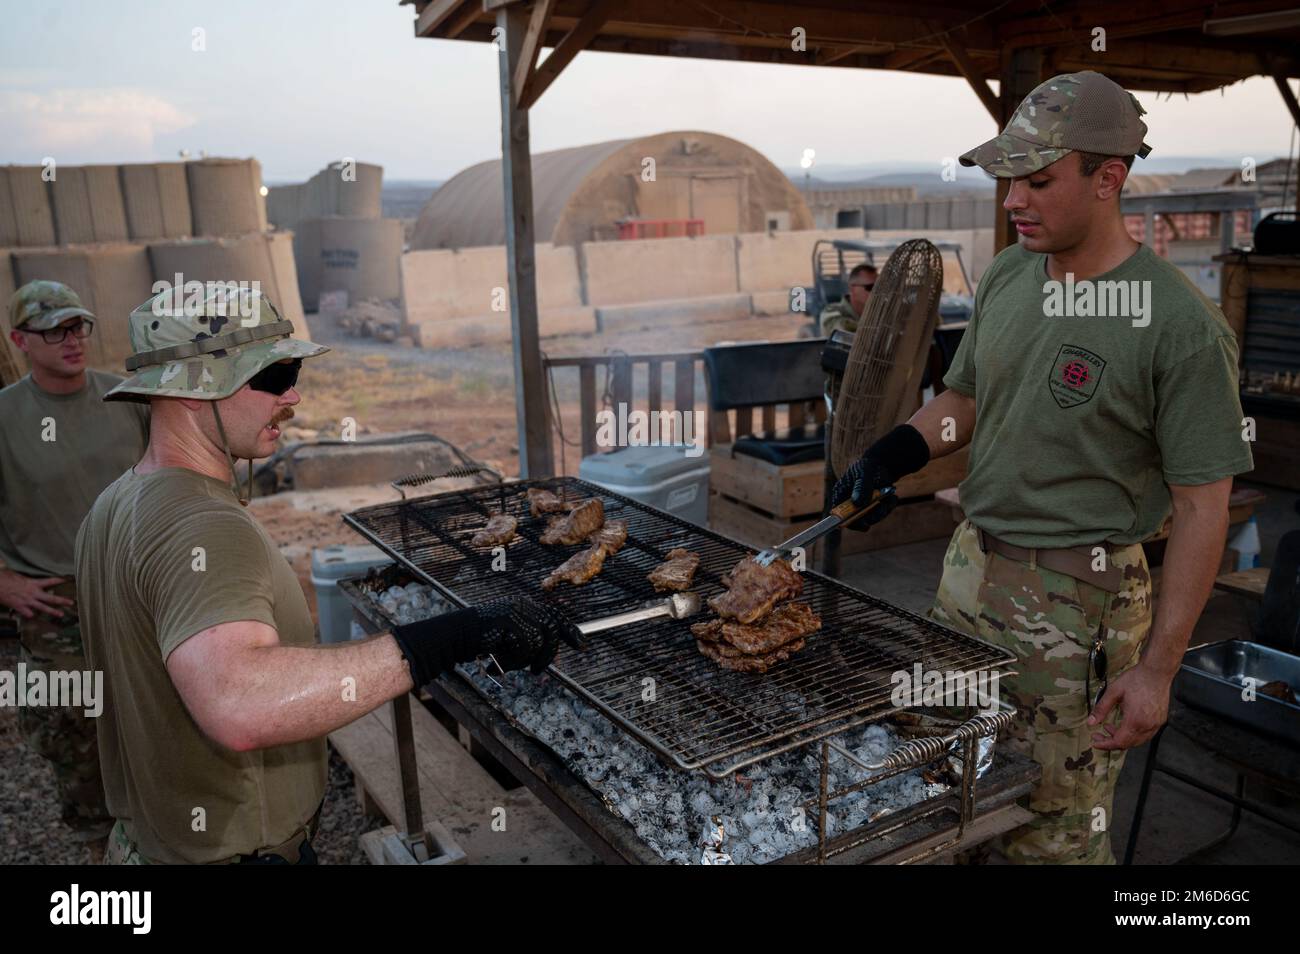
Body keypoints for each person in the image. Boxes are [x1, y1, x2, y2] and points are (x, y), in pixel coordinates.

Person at [830, 71, 1252, 864]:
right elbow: (968, 398)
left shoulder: (1178, 328)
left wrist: (1158, 670)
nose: (1014, 200)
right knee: (940, 805)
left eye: (1038, 179)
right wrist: (899, 450)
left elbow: (1204, 509)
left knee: (1046, 835)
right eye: (1007, 180)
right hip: (967, 579)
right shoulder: (1010, 276)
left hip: (1079, 612)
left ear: (1108, 179)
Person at [76, 285, 582, 864]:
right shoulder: (204, 525)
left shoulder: (115, 502)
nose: (291, 394)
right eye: (272, 375)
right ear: (194, 389)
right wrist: (453, 637)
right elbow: (238, 703)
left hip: (149, 843)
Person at [0, 281, 150, 860]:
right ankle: (103, 863)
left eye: (78, 326)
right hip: (58, 605)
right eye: (54, 330)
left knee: (159, 719)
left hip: (136, 587)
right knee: (76, 737)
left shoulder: (127, 397)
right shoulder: (6, 418)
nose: (72, 340)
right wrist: (5, 583)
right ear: (19, 341)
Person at [819, 262, 877, 337]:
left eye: (880, 287)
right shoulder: (831, 311)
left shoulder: (878, 312)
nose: (877, 292)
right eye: (870, 287)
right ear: (852, 289)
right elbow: (843, 330)